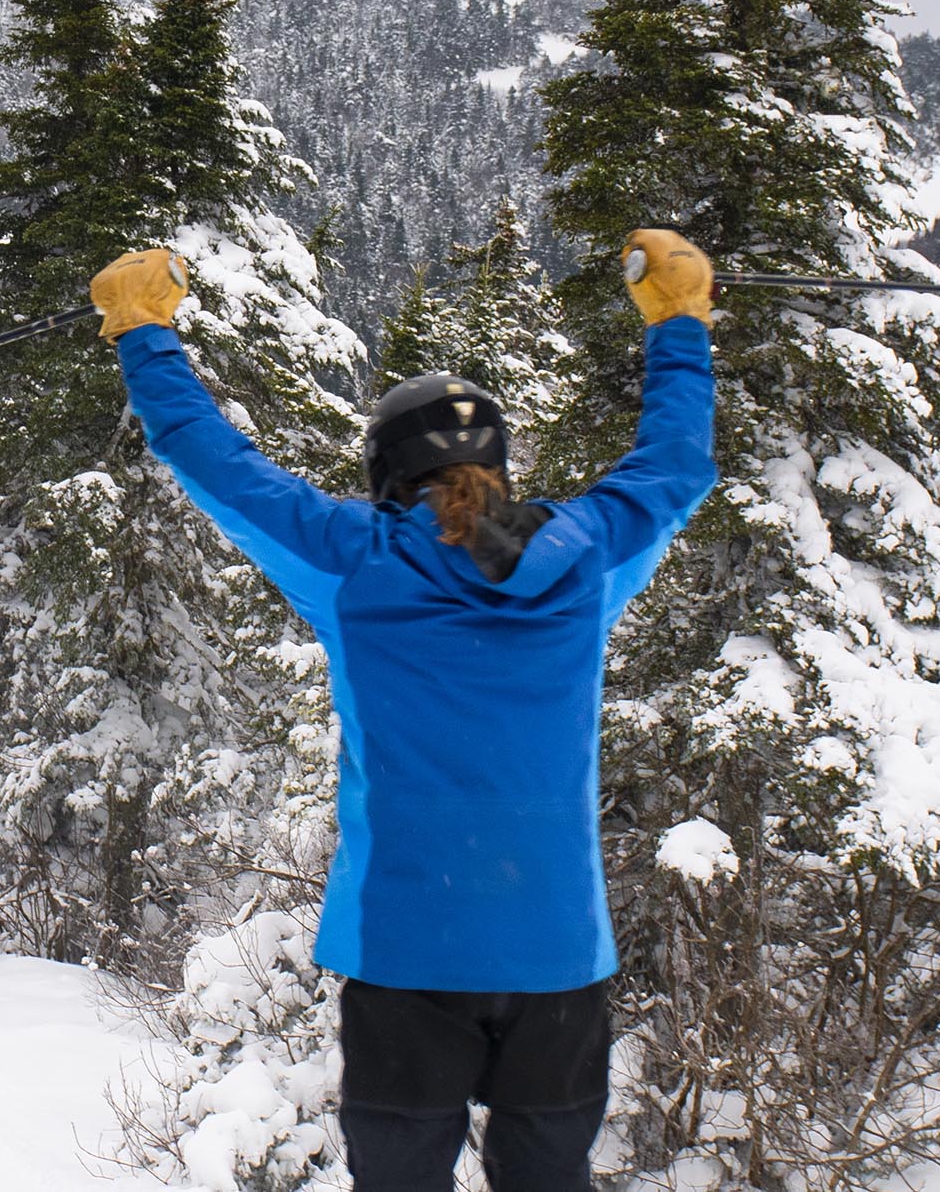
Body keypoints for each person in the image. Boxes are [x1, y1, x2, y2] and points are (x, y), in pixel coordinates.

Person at [89, 229, 718, 1192]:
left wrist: (145, 328)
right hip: (557, 953)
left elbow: (212, 458)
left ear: (388, 471)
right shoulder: (586, 556)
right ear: (496, 464)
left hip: (407, 952)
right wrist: (678, 318)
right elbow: (674, 462)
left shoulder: (356, 560)